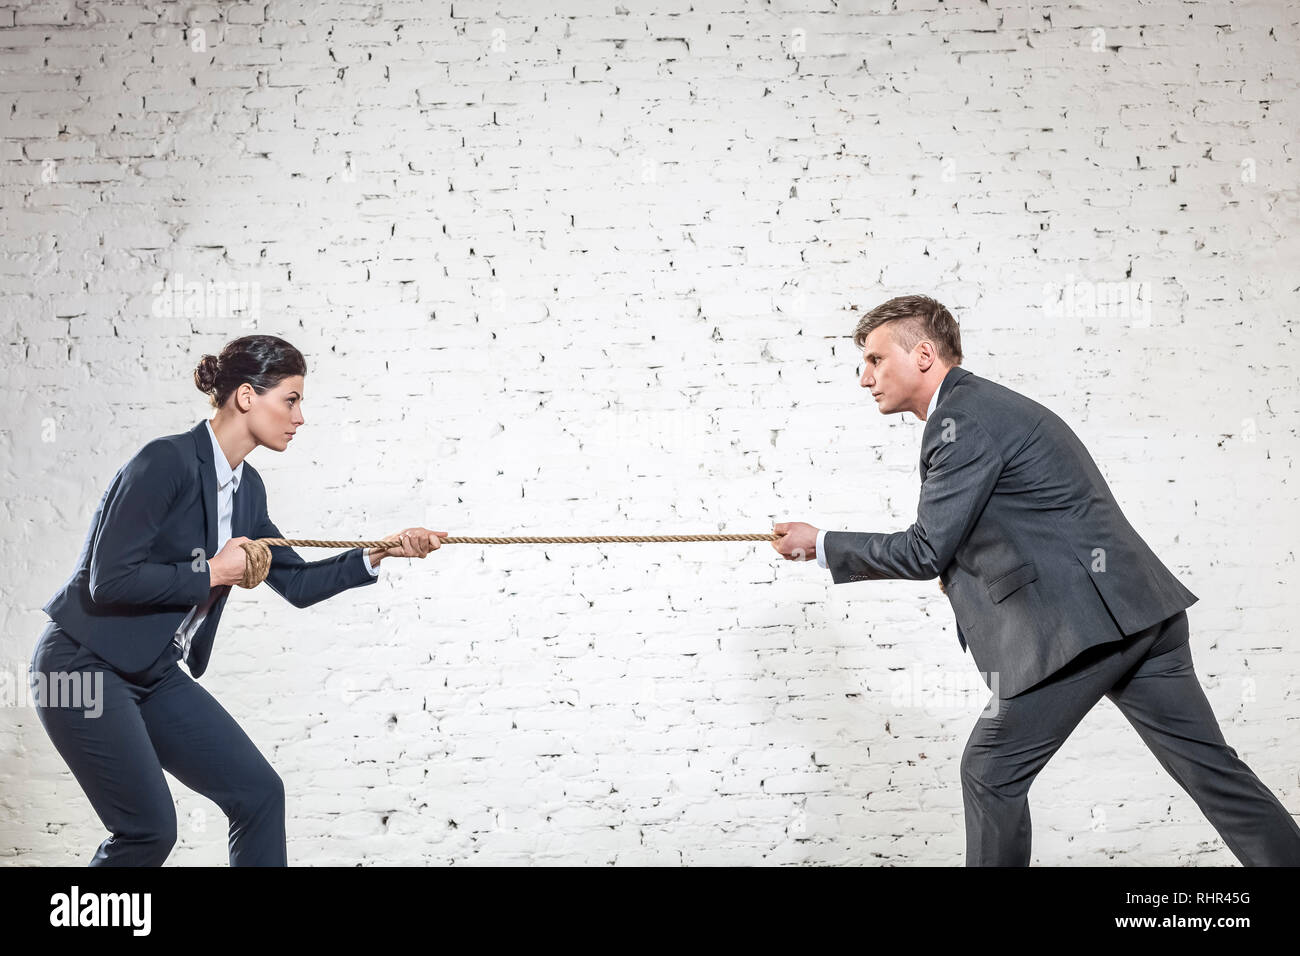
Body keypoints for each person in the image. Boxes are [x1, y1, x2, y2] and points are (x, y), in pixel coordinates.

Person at [772, 294, 1300, 866]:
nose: (864, 378)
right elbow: (1023, 524)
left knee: (989, 773)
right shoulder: (983, 408)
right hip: (1141, 614)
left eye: (875, 360)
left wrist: (821, 544)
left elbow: (926, 548)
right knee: (1213, 772)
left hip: (1084, 631)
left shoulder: (960, 420)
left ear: (923, 355)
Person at [30, 334, 447, 866]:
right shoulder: (166, 461)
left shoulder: (246, 491)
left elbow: (296, 583)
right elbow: (107, 581)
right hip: (82, 665)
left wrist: (381, 552)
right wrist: (211, 572)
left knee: (258, 795)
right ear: (247, 397)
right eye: (291, 400)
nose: (301, 417)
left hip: (150, 670)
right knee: (147, 831)